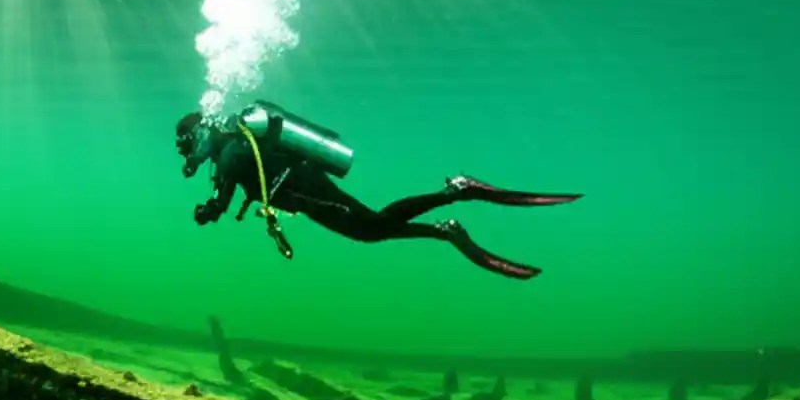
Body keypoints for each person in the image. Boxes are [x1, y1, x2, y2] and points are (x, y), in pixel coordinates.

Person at [174, 104, 582, 280]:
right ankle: (445, 225)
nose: (190, 154)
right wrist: (210, 206)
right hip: (305, 191)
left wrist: (209, 211)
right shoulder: (230, 151)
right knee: (370, 230)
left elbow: (222, 202)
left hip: (307, 191)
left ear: (201, 133)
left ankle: (456, 194)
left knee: (371, 226)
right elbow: (223, 198)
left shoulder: (229, 154)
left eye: (188, 145)